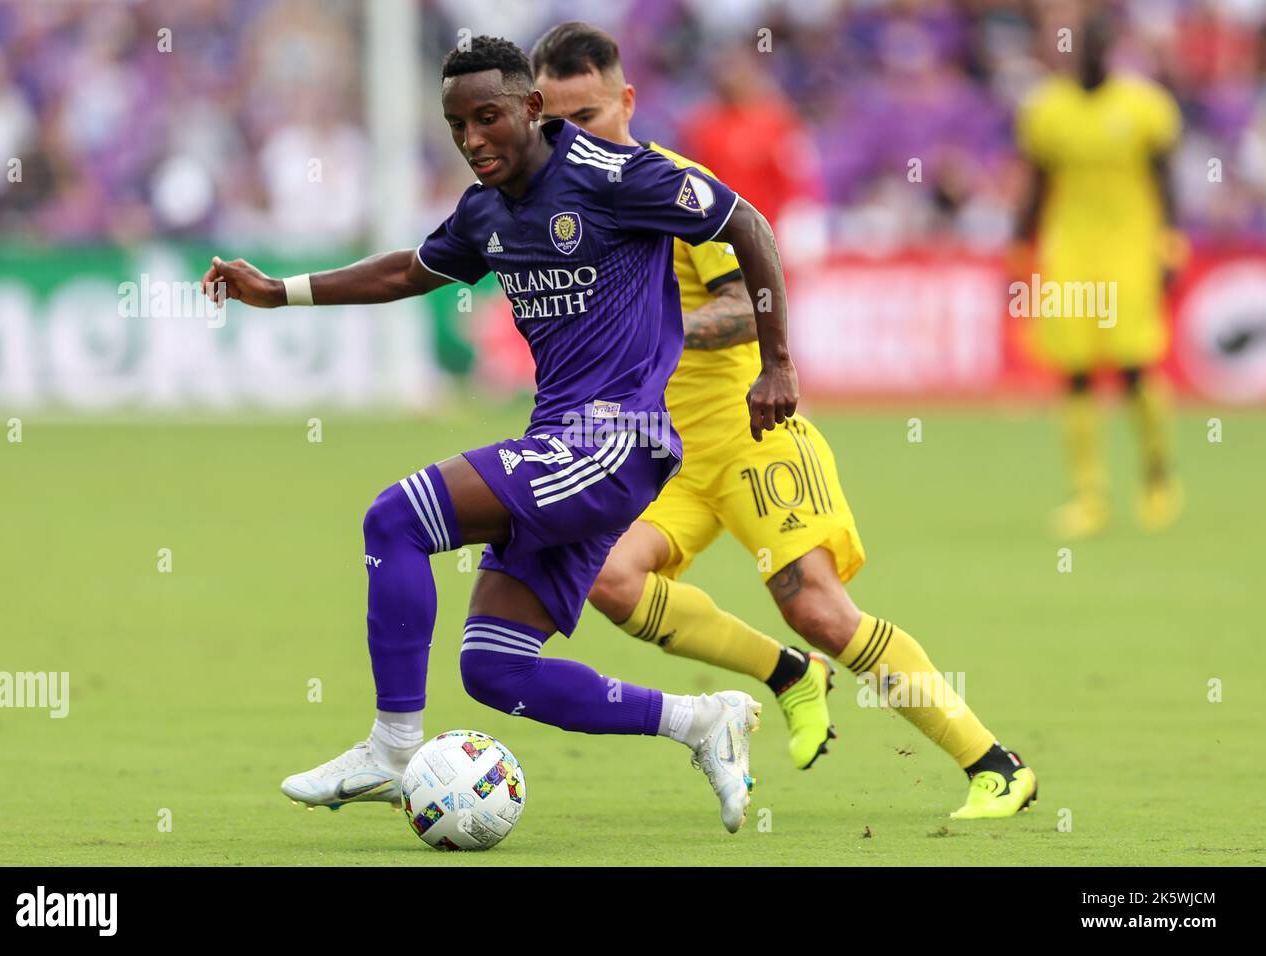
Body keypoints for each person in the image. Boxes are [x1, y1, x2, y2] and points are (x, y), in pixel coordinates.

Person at [201, 36, 799, 833]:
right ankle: (701, 721)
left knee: (396, 518)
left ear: (531, 108)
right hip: (562, 442)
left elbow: (746, 224)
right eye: (456, 125)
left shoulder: (617, 176)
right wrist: (280, 292)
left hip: (614, 440)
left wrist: (777, 363)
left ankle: (390, 749)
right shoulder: (486, 209)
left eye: (488, 118)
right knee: (494, 668)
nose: (472, 139)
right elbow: (410, 271)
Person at [531, 21, 1037, 819]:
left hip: (746, 434)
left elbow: (743, 302)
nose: (574, 140)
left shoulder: (671, 189)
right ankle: (788, 675)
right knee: (610, 580)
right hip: (664, 455)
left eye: (589, 118)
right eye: (556, 126)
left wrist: (667, 339)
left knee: (819, 608)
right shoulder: (555, 216)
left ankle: (995, 763)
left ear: (627, 102)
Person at [1014, 11, 1185, 539]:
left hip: (1131, 250)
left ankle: (1157, 476)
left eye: (1090, 47)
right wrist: (1020, 253)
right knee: (1076, 371)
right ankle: (1089, 493)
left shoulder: (1145, 107)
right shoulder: (1047, 110)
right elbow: (1037, 188)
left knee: (1134, 367)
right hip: (1071, 254)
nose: (1080, 56)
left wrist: (1169, 244)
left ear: (1108, 50)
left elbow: (1166, 179)